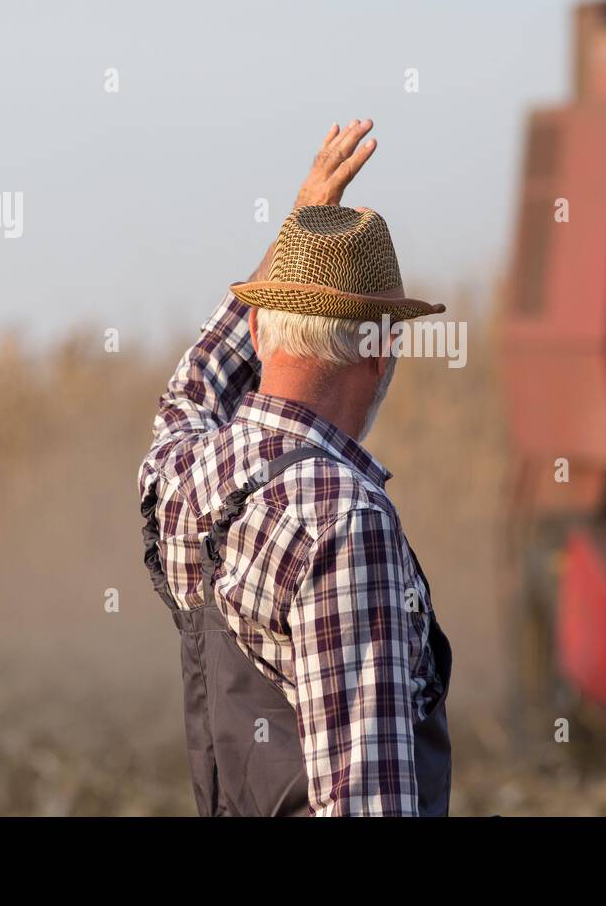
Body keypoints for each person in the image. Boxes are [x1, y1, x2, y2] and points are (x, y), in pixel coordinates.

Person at [138, 120, 453, 816]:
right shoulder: (344, 519)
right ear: (378, 348)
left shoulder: (187, 479)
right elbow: (367, 803)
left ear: (256, 328)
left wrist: (293, 234)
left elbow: (191, 393)